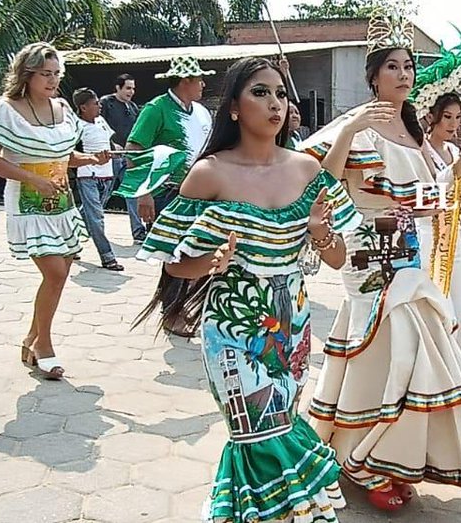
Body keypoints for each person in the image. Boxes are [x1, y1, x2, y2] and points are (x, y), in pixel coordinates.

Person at [137, 56, 359, 523]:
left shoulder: (308, 170)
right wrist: (211, 263)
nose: (275, 103)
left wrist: (319, 233)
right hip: (232, 331)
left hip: (293, 331)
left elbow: (339, 258)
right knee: (257, 433)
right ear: (234, 108)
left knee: (278, 427)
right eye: (260, 92)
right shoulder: (210, 173)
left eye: (280, 93)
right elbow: (176, 266)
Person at [301, 15, 461, 511]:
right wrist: (353, 128)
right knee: (393, 350)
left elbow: (427, 197)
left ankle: (380, 458)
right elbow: (317, 175)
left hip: (409, 255)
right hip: (365, 255)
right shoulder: (357, 122)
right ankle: (362, 462)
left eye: (408, 66)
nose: (404, 75)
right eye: (392, 67)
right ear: (373, 76)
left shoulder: (412, 131)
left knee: (409, 352)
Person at [0, 42, 109, 380]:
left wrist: (91, 158)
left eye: (56, 74)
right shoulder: (5, 109)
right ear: (27, 74)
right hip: (27, 203)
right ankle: (44, 345)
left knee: (59, 276)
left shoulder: (62, 108)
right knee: (55, 274)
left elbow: (64, 156)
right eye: (45, 74)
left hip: (61, 203)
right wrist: (32, 178)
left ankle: (32, 338)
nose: (52, 81)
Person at [124, 55, 214, 337]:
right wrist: (145, 193)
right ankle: (170, 312)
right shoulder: (156, 109)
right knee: (175, 253)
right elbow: (134, 149)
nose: (203, 83)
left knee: (198, 251)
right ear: (185, 81)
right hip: (167, 192)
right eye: (198, 78)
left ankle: (186, 305)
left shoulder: (200, 112)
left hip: (199, 194)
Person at [419, 92, 461, 351]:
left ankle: (454, 376)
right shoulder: (419, 148)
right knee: (443, 318)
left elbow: (460, 195)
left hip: (454, 236)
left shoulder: (454, 150)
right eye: (447, 117)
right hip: (429, 238)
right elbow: (428, 193)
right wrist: (459, 169)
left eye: (458, 117)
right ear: (431, 116)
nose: (453, 123)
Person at [72, 88, 123, 271]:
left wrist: (120, 151)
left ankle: (70, 240)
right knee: (96, 217)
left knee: (88, 213)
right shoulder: (76, 126)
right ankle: (107, 256)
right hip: (87, 175)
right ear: (83, 108)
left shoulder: (101, 121)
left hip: (107, 174)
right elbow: (72, 152)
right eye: (95, 103)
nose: (99, 106)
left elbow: (109, 142)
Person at [99, 73, 144, 243]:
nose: (131, 91)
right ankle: (86, 223)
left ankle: (138, 231)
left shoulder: (132, 107)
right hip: (110, 157)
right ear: (118, 88)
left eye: (133, 88)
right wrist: (111, 145)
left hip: (128, 158)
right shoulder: (106, 103)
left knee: (132, 193)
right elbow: (97, 126)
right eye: (128, 88)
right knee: (104, 194)